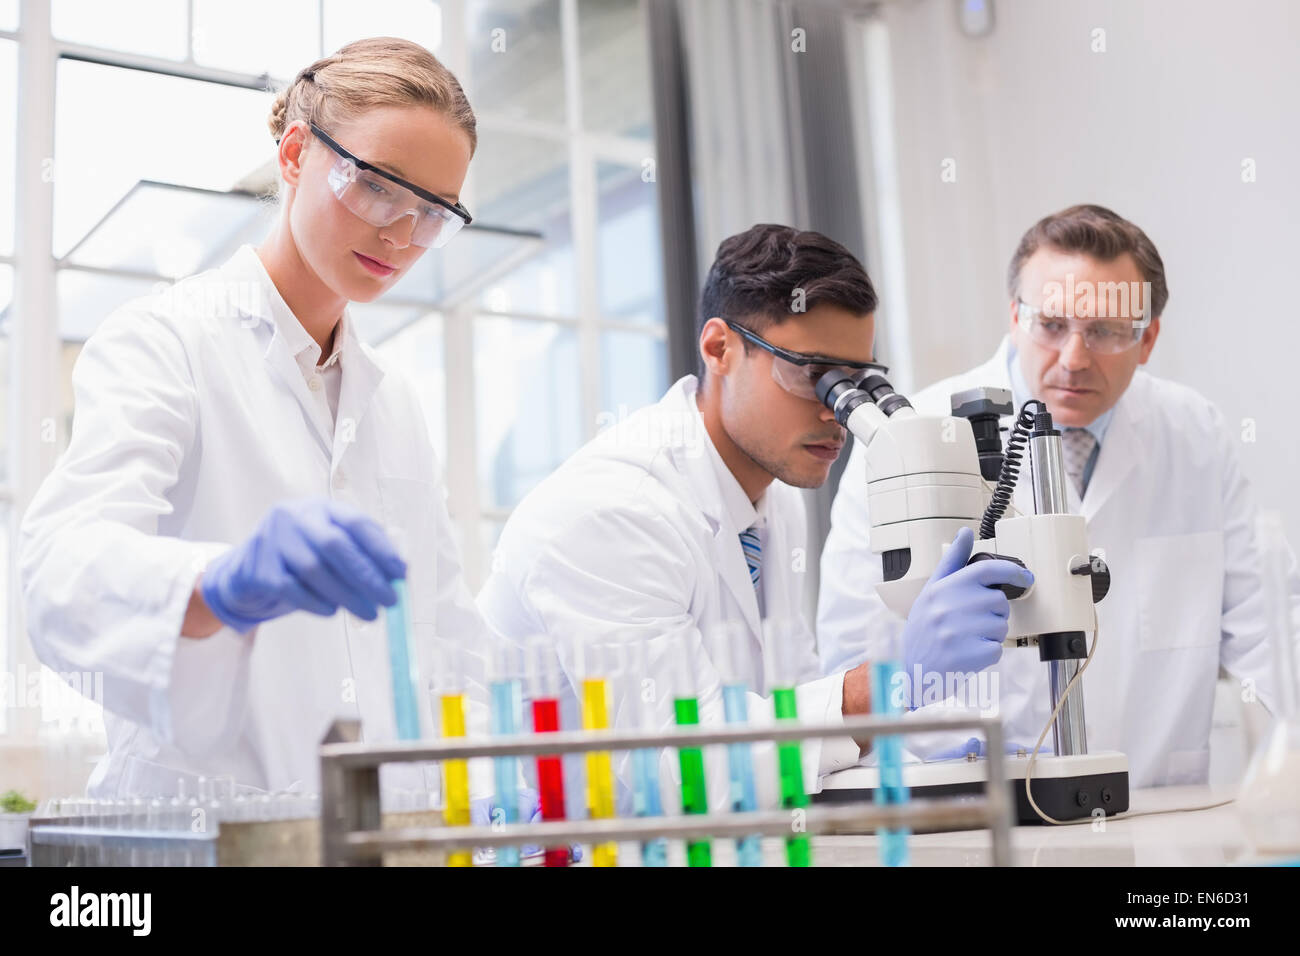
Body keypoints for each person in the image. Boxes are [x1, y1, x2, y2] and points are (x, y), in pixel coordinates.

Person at [21, 38, 490, 800]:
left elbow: (446, 635)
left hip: (372, 841)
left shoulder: (393, 399)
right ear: (297, 153)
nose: (402, 236)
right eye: (376, 187)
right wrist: (221, 583)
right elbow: (59, 578)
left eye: (432, 212)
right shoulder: (166, 340)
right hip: (201, 834)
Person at [476, 224, 1030, 808]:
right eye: (811, 374)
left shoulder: (772, 496)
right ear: (719, 349)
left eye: (855, 382)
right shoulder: (613, 510)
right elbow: (685, 768)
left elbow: (783, 707)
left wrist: (900, 756)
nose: (836, 412)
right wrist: (892, 685)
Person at [819, 203, 1300, 787]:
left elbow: (1268, 640)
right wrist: (911, 777)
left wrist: (1285, 777)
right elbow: (848, 661)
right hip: (967, 817)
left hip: (1156, 812)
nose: (1074, 359)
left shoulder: (1195, 434)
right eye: (1051, 325)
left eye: (1104, 331)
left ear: (1147, 339)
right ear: (1015, 317)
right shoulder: (904, 440)